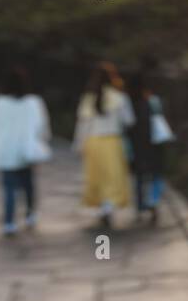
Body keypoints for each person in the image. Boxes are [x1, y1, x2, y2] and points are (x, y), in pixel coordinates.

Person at [0, 66, 52, 236]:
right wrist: (42, 143)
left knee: (8, 187)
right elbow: (42, 127)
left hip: (4, 151)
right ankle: (30, 214)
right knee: (28, 184)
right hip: (26, 150)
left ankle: (9, 222)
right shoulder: (34, 102)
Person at [74, 62, 135, 228]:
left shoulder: (88, 99)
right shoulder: (120, 97)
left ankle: (102, 208)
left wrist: (79, 145)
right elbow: (129, 120)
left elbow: (82, 125)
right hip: (112, 141)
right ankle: (108, 207)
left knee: (96, 176)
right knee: (112, 176)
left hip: (93, 142)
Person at [125, 71, 174, 224]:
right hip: (154, 144)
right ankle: (153, 202)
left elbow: (126, 125)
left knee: (139, 178)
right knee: (156, 175)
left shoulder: (128, 103)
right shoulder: (153, 101)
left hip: (137, 145)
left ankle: (140, 207)